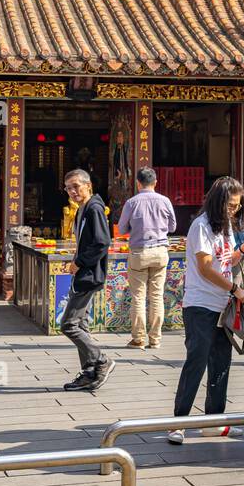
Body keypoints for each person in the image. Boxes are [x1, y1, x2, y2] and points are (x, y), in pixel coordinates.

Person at [169, 176, 244, 444]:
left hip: (223, 305)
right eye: (230, 205)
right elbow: (206, 268)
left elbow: (225, 261)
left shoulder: (226, 226)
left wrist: (242, 250)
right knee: (196, 360)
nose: (234, 211)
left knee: (221, 362)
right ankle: (178, 422)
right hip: (201, 304)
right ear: (217, 201)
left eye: (237, 206)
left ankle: (214, 421)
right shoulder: (201, 226)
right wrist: (235, 289)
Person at [60, 170, 115, 392]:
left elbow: (102, 242)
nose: (73, 191)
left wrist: (80, 262)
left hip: (89, 274)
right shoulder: (83, 208)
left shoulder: (94, 208)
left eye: (76, 186)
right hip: (83, 273)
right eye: (68, 188)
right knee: (80, 324)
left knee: (69, 325)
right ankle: (89, 372)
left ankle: (101, 360)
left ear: (88, 185)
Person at [117, 167, 178, 350]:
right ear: (155, 182)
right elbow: (173, 227)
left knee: (138, 297)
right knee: (157, 296)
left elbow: (121, 229)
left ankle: (138, 339)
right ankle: (155, 339)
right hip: (160, 251)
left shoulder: (131, 202)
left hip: (139, 252)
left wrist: (135, 228)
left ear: (137, 183)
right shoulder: (165, 201)